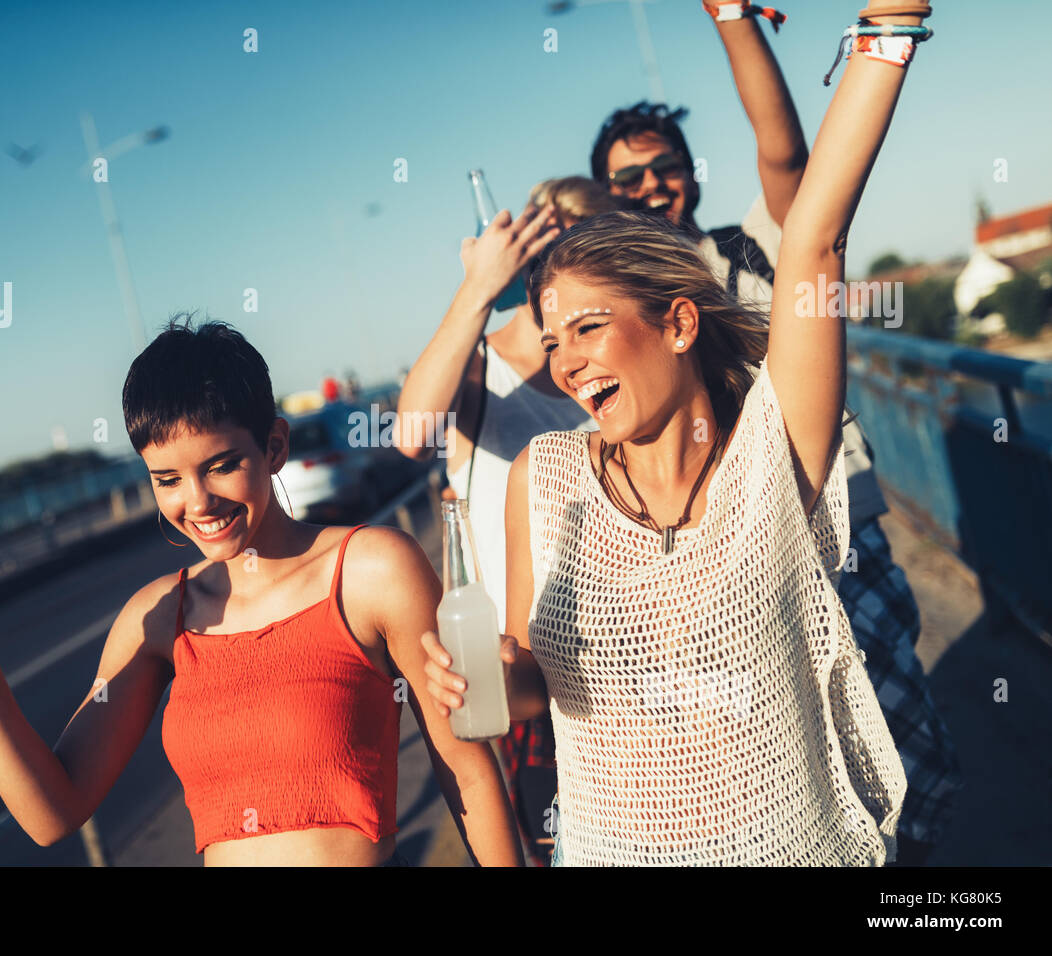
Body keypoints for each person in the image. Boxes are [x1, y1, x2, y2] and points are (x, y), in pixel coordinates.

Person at [426, 0, 935, 865]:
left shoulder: (775, 457)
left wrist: (887, 34)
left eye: (587, 328)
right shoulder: (542, 479)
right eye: (552, 342)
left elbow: (814, 239)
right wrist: (480, 683)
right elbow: (528, 682)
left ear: (680, 325)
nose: (566, 363)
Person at [0, 315, 522, 867]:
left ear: (274, 445)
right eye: (167, 479)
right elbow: (55, 812)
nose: (197, 503)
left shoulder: (373, 568)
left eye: (221, 465)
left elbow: (465, 765)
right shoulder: (159, 617)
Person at [591, 3, 961, 864]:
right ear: (606, 200)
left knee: (920, 768)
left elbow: (791, 159)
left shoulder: (754, 250)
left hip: (837, 532)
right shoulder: (611, 316)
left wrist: (732, 19)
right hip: (730, 567)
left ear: (691, 173)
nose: (651, 186)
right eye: (628, 179)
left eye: (664, 167)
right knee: (792, 784)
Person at [398, 177, 624, 865]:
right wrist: (475, 289)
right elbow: (411, 431)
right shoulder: (481, 363)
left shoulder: (611, 354)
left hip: (615, 652)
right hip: (519, 670)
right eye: (545, 247)